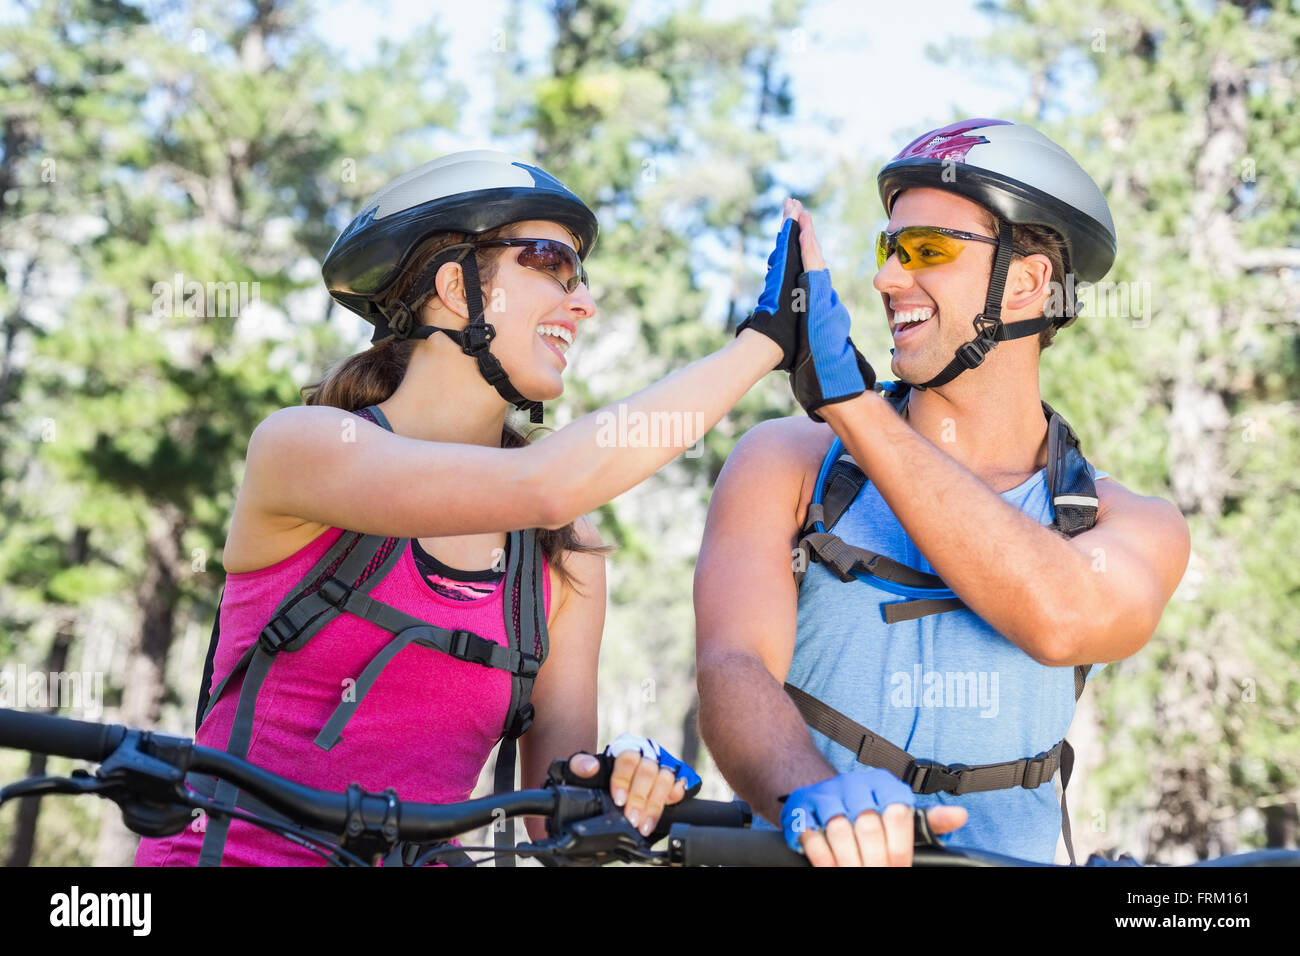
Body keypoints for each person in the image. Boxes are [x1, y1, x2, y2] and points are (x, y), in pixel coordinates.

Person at [134, 149, 806, 866]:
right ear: (456, 287)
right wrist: (762, 345)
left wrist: (621, 787)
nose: (583, 302)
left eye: (580, 276)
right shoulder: (305, 448)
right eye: (549, 261)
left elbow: (559, 820)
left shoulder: (562, 554)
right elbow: (549, 479)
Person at [695, 119, 1191, 867]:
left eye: (928, 250)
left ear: (1027, 283)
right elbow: (732, 668)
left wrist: (853, 407)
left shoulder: (1130, 524)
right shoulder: (788, 462)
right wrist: (818, 802)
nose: (889, 280)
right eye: (887, 250)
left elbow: (1062, 617)